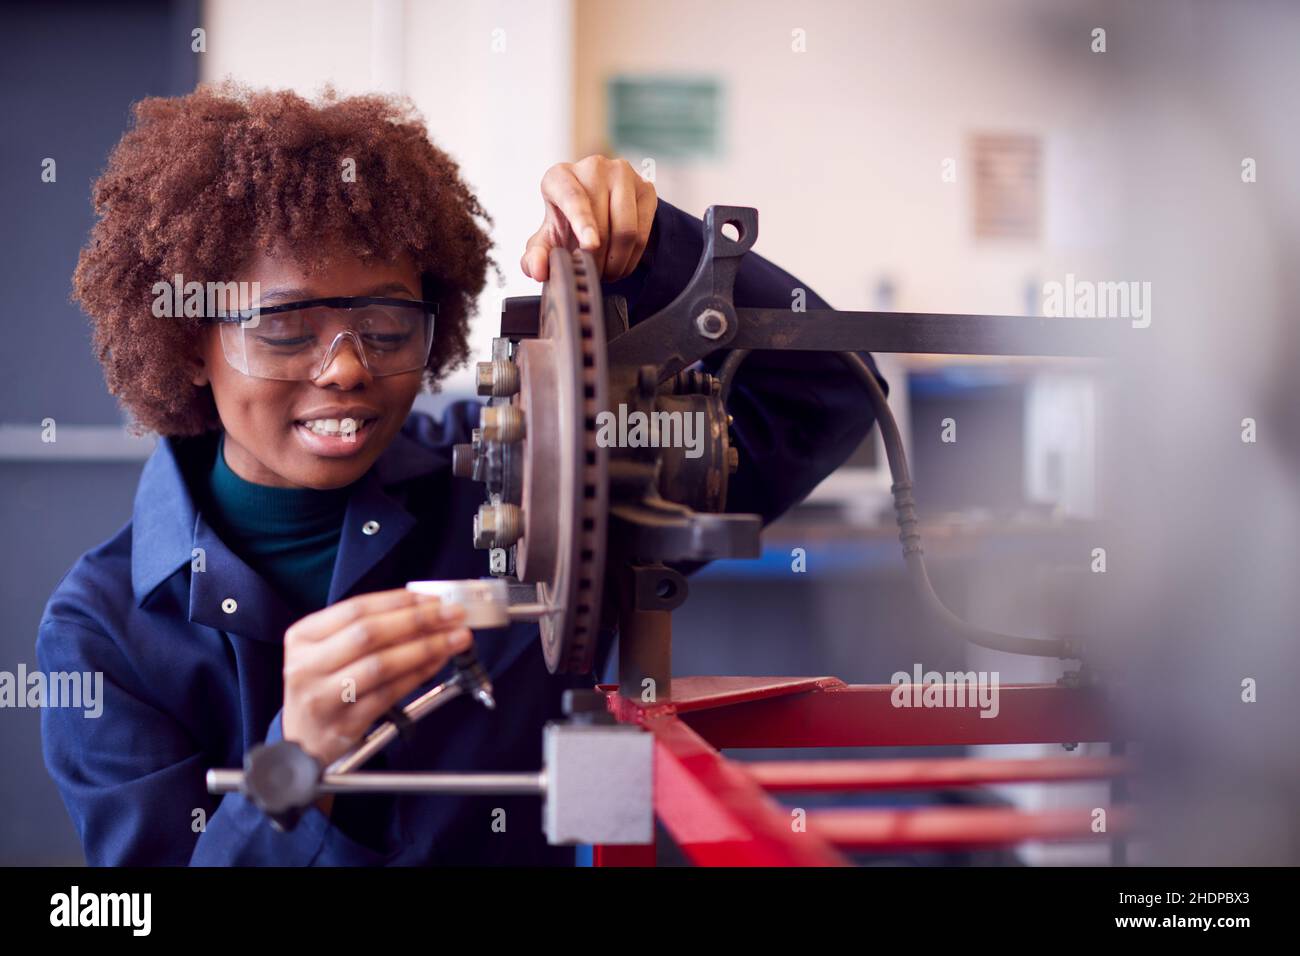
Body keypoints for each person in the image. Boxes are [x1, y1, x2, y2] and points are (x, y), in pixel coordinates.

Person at [37, 82, 888, 865]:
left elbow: (826, 396)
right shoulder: (101, 635)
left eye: (386, 323)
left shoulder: (531, 470)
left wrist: (657, 247)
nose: (344, 370)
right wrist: (294, 770)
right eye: (286, 328)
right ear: (192, 344)